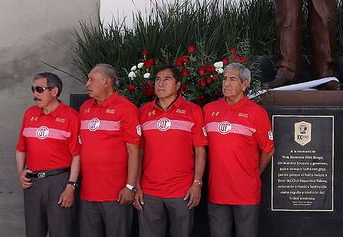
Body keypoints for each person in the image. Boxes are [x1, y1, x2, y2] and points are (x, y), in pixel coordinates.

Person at [134, 65, 207, 237]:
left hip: (182, 191)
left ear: (178, 85)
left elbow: (200, 152)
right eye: (157, 79)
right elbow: (138, 153)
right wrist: (136, 185)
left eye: (167, 79)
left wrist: (197, 184)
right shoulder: (143, 112)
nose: (160, 83)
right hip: (149, 191)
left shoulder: (193, 110)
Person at [204, 63, 274, 237]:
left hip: (246, 192)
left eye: (232, 79)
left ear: (244, 84)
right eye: (224, 79)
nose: (226, 83)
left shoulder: (257, 113)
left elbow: (268, 150)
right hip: (217, 191)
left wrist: (253, 174)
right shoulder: (209, 110)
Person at [78, 64, 141, 237]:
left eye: (91, 80)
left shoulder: (126, 108)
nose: (87, 84)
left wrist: (130, 187)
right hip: (88, 194)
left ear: (106, 82)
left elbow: (134, 152)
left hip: (117, 195)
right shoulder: (84, 108)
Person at [16, 72, 81, 237]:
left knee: (61, 232)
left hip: (59, 182)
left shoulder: (71, 116)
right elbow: (21, 149)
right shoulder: (29, 114)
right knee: (33, 232)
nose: (35, 94)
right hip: (32, 183)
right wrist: (20, 172)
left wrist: (70, 186)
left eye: (39, 89)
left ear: (54, 91)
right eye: (33, 89)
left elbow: (77, 155)